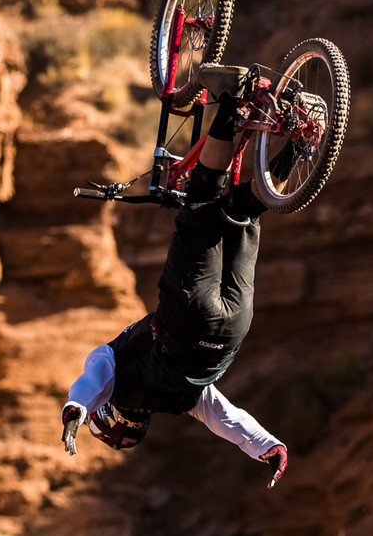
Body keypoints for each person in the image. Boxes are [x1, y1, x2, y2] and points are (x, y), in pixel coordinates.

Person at [61, 66, 288, 487]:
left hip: (233, 331)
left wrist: (269, 448)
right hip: (185, 315)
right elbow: (89, 382)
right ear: (107, 413)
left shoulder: (184, 401)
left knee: (245, 209)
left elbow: (229, 422)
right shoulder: (114, 376)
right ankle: (228, 100)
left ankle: (295, 139)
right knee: (202, 198)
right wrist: (74, 410)